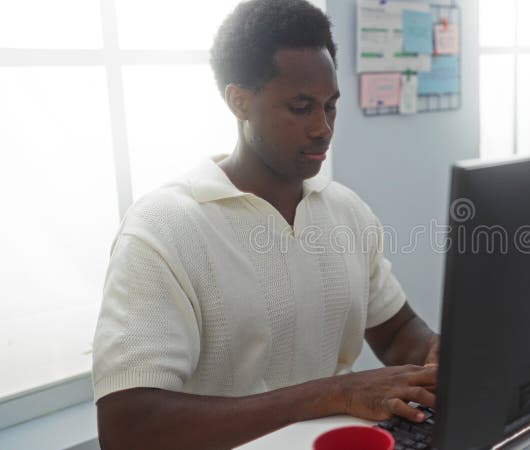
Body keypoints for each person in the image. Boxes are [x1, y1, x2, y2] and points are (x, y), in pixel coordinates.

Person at [92, 1, 439, 448]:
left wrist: (436, 354)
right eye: (301, 107)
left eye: (330, 106)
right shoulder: (161, 228)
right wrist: (335, 393)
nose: (323, 128)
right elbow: (127, 428)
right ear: (239, 101)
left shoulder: (346, 211)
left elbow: (397, 332)